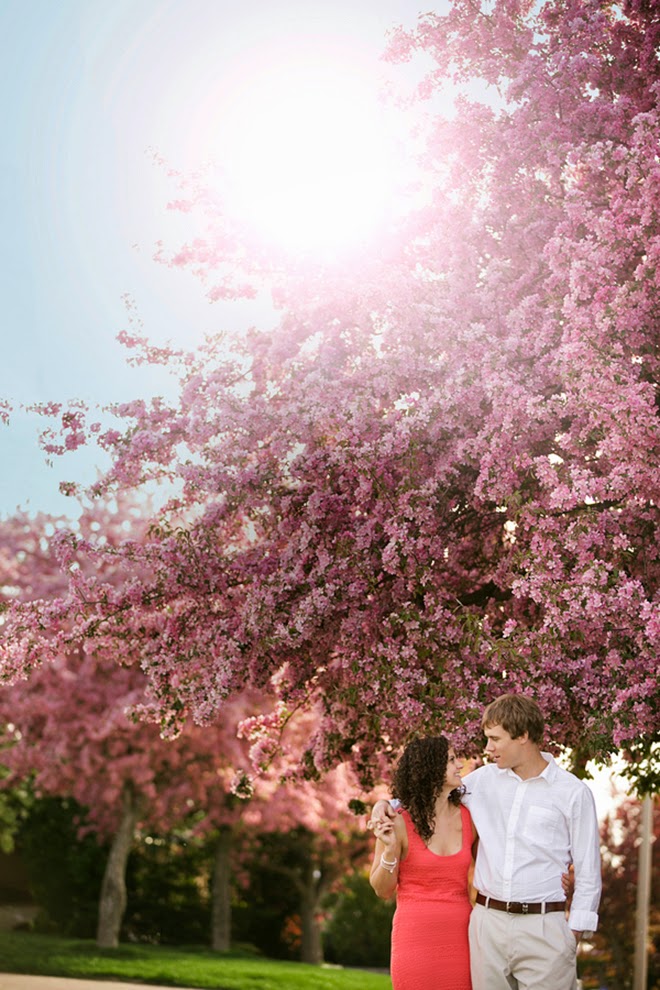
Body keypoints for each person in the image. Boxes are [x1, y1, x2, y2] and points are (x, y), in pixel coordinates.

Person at [371, 693, 601, 990]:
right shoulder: (481, 782)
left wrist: (574, 934)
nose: (487, 748)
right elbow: (427, 790)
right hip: (486, 925)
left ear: (523, 736)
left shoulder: (572, 793)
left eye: (495, 739)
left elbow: (588, 870)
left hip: (545, 927)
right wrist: (385, 803)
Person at [369, 735, 476, 989]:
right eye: (451, 760)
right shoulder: (397, 821)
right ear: (431, 769)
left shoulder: (470, 818)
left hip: (462, 939)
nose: (459, 765)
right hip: (414, 940)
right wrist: (391, 848)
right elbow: (381, 889)